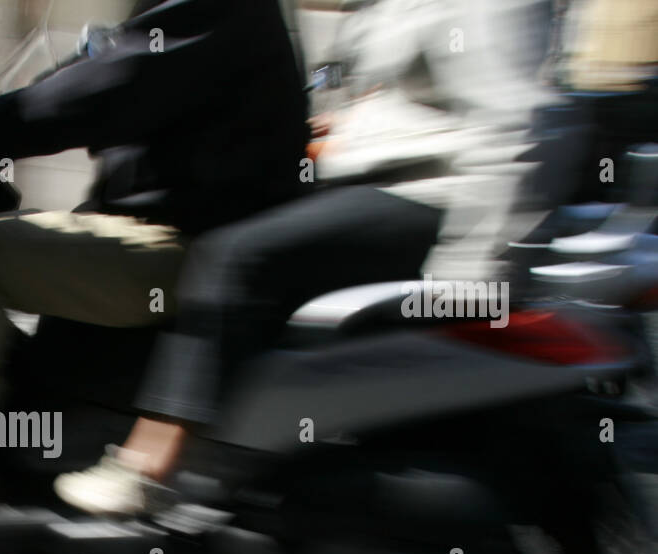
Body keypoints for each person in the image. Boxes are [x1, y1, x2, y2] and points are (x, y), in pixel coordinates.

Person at [55, 0, 558, 516]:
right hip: (366, 186)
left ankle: (151, 465)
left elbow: (522, 124)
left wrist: (476, 271)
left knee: (232, 256)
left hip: (436, 198)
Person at [0, 0, 310, 508]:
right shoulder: (205, 17)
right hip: (189, 235)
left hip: (182, 247)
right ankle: (30, 431)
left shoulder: (212, 12)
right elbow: (99, 71)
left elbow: (108, 88)